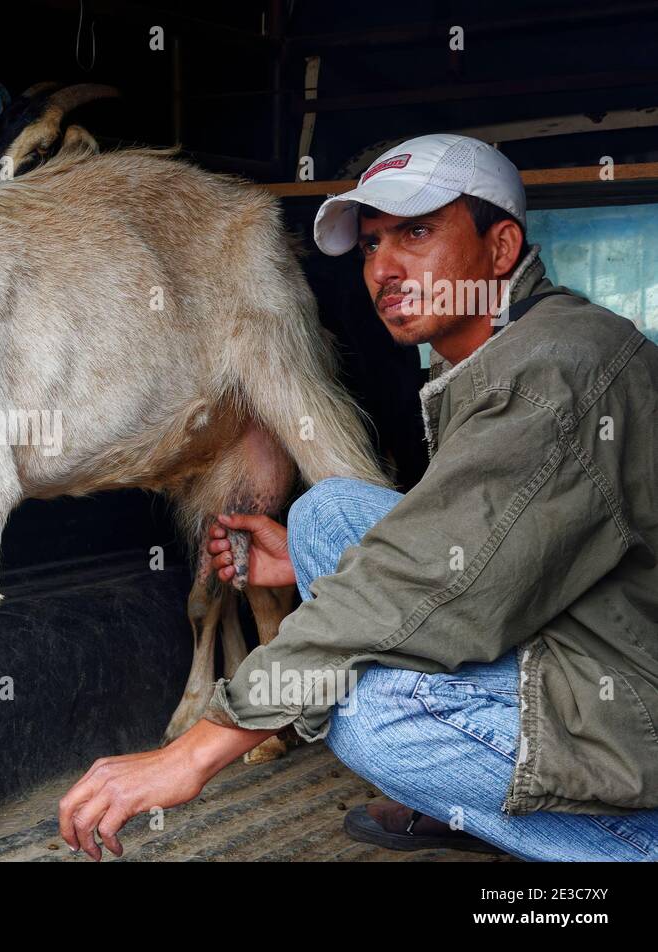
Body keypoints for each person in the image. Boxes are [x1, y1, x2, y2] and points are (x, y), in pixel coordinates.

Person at [58, 133, 658, 862]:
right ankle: (474, 803)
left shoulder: (553, 374)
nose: (384, 268)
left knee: (371, 718)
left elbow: (427, 581)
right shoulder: (518, 345)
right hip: (599, 639)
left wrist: (196, 750)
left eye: (417, 232)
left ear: (500, 250)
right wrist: (301, 565)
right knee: (325, 513)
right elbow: (474, 543)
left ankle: (624, 844)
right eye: (372, 244)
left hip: (630, 697)